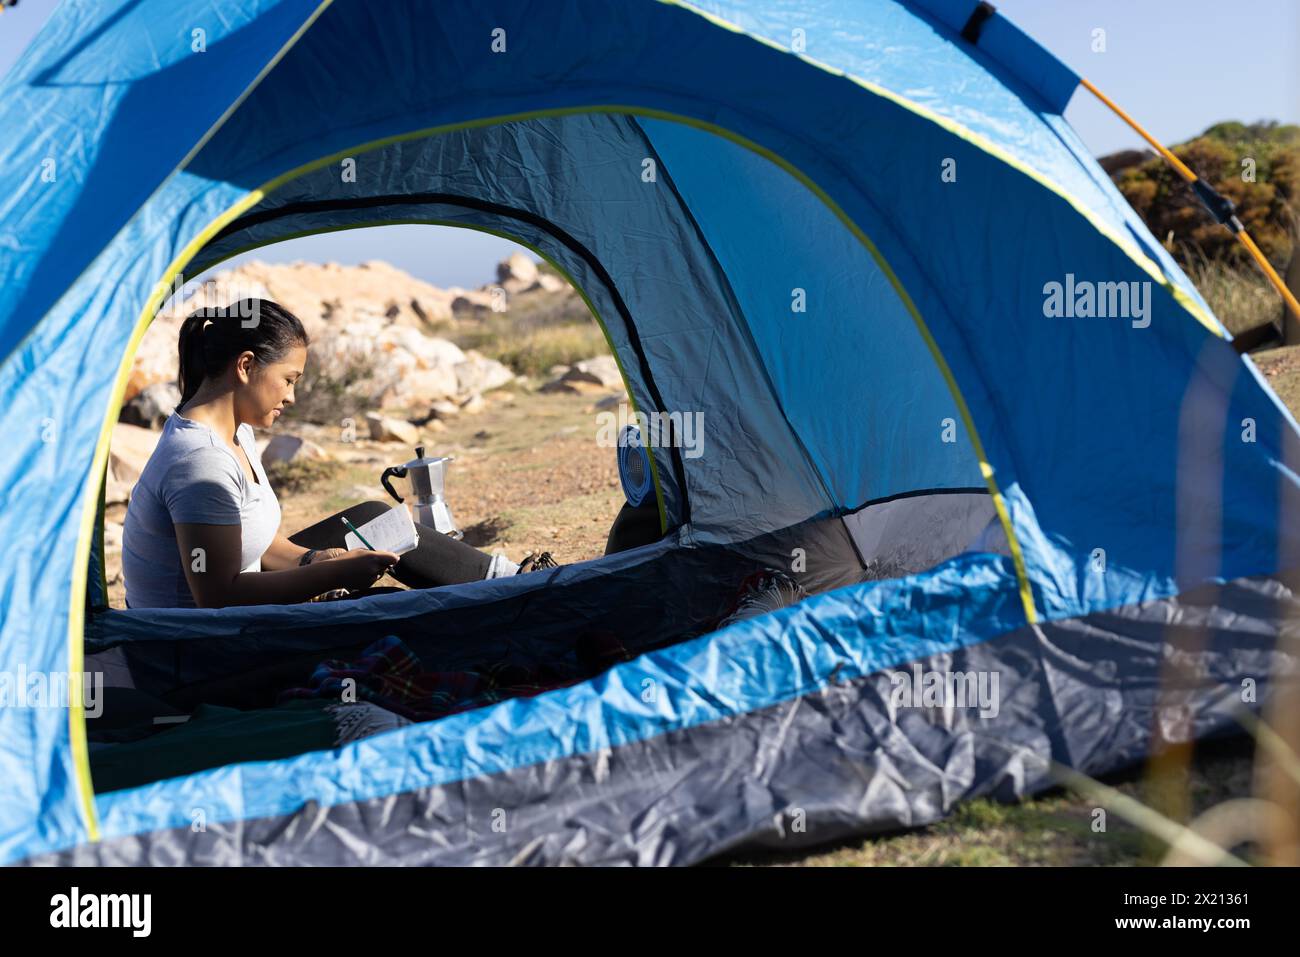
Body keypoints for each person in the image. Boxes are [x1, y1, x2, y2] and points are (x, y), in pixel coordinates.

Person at [121, 298, 555, 610]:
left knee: (372, 521)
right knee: (391, 610)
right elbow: (216, 598)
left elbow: (260, 542)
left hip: (234, 609)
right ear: (245, 365)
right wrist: (332, 576)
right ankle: (512, 603)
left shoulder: (236, 431)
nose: (291, 396)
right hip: (196, 647)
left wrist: (317, 559)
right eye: (289, 379)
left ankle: (512, 582)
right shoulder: (200, 462)